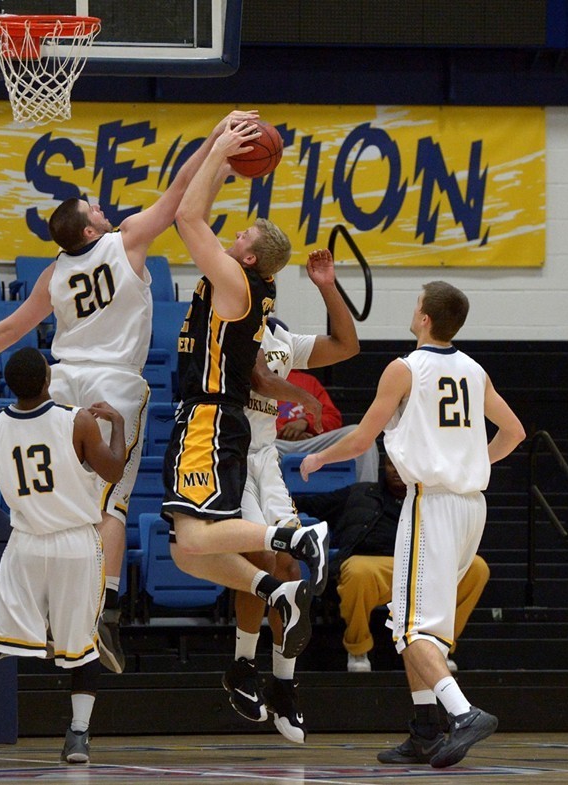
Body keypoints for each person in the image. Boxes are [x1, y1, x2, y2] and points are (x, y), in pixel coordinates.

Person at [0, 109, 261, 674]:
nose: (104, 209)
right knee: (112, 503)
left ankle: (62, 606)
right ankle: (106, 607)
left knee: (71, 504)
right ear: (88, 231)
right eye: (94, 209)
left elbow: (11, 330)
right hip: (112, 384)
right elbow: (179, 195)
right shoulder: (125, 241)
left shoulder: (52, 275)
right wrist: (216, 142)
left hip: (62, 386)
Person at [300, 281, 525, 768]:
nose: (413, 308)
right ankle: (425, 730)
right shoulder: (474, 370)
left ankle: (462, 713)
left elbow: (362, 439)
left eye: (416, 303)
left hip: (432, 504)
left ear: (424, 318)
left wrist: (318, 458)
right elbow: (515, 432)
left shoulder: (404, 369)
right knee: (422, 621)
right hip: (471, 506)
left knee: (409, 626)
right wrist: (472, 465)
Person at [160, 117, 329, 664]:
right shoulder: (243, 281)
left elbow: (187, 217)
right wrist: (218, 154)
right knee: (188, 551)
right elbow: (197, 210)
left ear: (250, 259)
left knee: (195, 540)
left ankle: (295, 540)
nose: (230, 237)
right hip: (215, 417)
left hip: (209, 417)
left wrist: (220, 149)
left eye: (241, 239)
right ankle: (271, 587)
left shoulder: (235, 285)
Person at [0, 347, 127, 766]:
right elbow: (114, 471)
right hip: (73, 544)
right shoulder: (78, 420)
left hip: (26, 544)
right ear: (47, 380)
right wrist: (120, 425)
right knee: (81, 645)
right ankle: (78, 736)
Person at [224, 247, 359, 744]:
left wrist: (326, 285)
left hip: (266, 457)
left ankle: (283, 685)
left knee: (290, 570)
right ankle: (241, 664)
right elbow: (258, 376)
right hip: (228, 449)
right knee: (258, 558)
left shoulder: (281, 333)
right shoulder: (227, 317)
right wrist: (302, 395)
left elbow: (346, 345)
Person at [295, 453, 490, 674]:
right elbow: (309, 503)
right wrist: (275, 501)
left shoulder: (433, 498)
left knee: (476, 567)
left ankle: (439, 645)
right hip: (374, 564)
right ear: (384, 467)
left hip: (423, 566)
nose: (396, 470)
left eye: (402, 465)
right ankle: (358, 647)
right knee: (358, 570)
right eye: (391, 465)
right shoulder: (360, 493)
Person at [274, 368, 379, 483]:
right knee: (255, 443)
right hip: (277, 444)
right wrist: (286, 431)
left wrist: (306, 423)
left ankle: (366, 495)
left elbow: (333, 418)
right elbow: (256, 423)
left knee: (362, 435)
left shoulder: (308, 380)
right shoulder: (261, 380)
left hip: (312, 442)